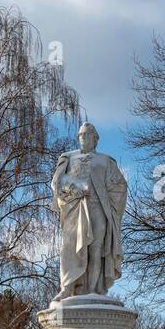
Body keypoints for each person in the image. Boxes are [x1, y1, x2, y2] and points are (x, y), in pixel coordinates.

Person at [51, 121, 128, 300]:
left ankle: (94, 289)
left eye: (87, 134)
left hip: (98, 208)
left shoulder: (105, 160)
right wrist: (71, 189)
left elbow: (120, 186)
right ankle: (67, 287)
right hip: (75, 208)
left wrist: (108, 198)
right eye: (81, 135)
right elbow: (57, 183)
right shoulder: (68, 158)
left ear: (95, 139)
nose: (83, 138)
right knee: (70, 247)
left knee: (96, 248)